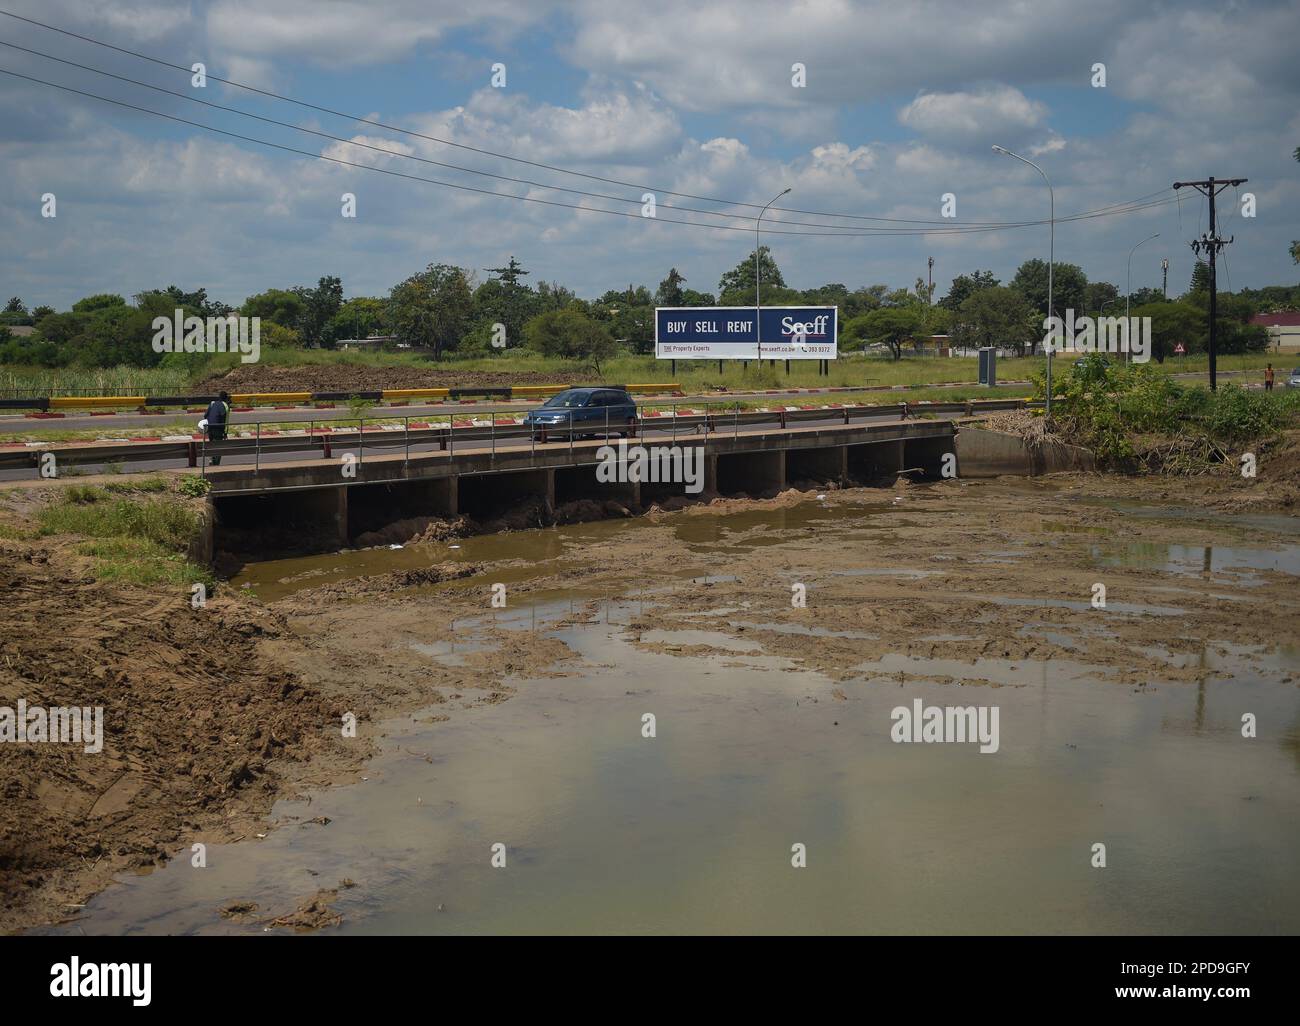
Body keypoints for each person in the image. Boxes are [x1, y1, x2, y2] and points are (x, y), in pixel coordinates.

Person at [205, 391, 231, 465]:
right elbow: (226, 421)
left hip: (209, 427)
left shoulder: (212, 403)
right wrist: (225, 433)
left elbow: (205, 415)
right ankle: (216, 465)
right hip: (218, 429)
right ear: (226, 399)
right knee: (218, 447)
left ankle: (211, 459)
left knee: (211, 444)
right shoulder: (226, 406)